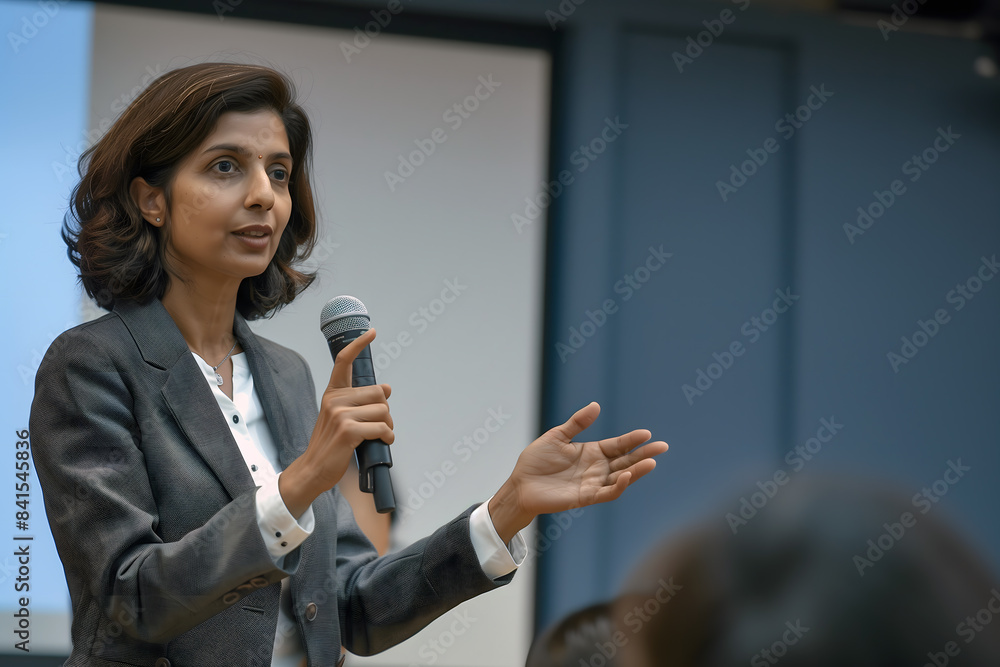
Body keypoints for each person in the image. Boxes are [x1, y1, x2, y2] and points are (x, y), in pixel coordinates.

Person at [29, 62, 668, 667]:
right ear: (151, 200)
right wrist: (304, 480)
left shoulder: (286, 376)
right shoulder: (92, 366)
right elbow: (130, 598)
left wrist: (507, 507)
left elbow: (350, 606)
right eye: (226, 167)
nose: (263, 197)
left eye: (278, 173)